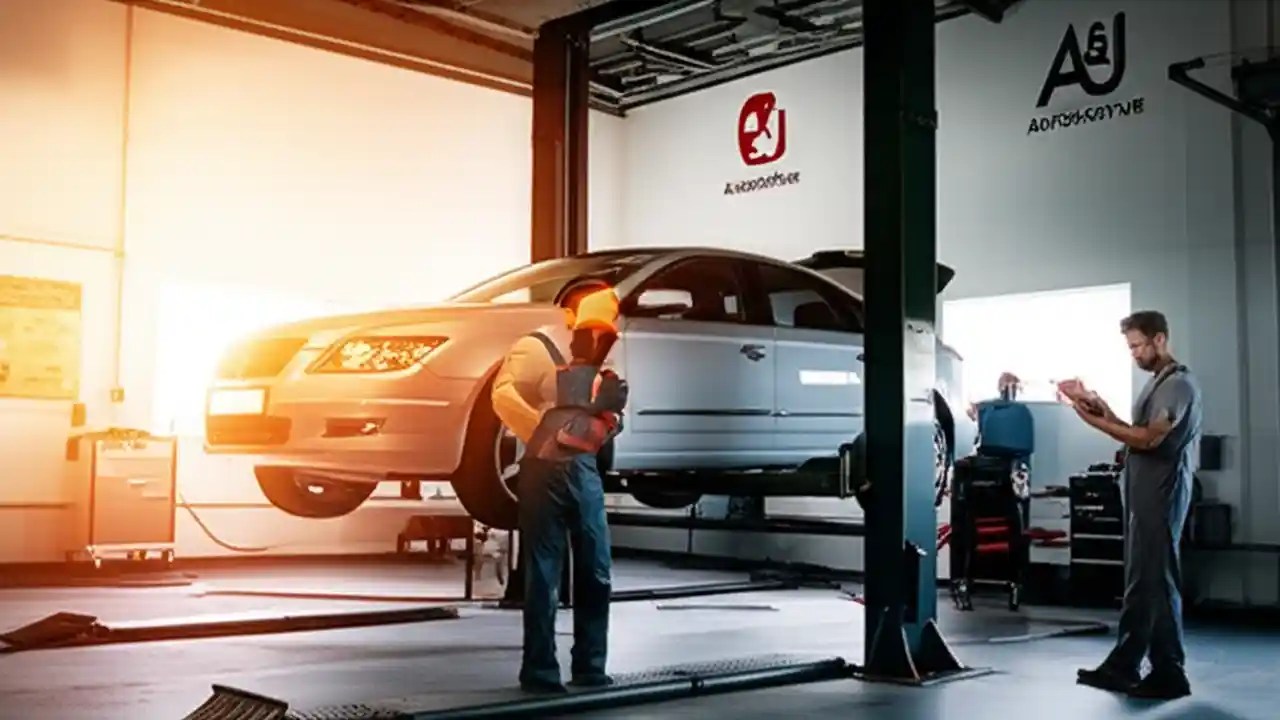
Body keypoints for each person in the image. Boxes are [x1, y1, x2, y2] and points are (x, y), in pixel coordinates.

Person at [490, 283, 627, 694]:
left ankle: (567, 669)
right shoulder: (537, 347)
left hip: (564, 469)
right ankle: (562, 669)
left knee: (572, 571)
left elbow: (608, 416)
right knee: (567, 572)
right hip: (557, 469)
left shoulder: (591, 363)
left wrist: (592, 422)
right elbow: (504, 395)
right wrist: (548, 432)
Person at [1066, 310, 1201, 700]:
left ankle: (1169, 671)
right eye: (1130, 348)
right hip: (1143, 499)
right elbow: (1135, 431)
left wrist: (1097, 425)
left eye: (1138, 346)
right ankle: (1124, 664)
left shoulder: (1179, 385)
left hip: (1161, 497)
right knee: (1140, 583)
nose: (1135, 354)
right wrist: (1100, 408)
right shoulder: (1157, 385)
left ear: (1160, 339)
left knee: (1159, 581)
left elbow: (1149, 440)